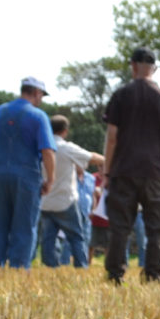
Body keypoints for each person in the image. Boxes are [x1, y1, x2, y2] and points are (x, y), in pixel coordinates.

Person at [102, 47, 160, 284]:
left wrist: (107, 170)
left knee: (120, 227)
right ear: (153, 69)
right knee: (157, 228)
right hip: (155, 172)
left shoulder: (120, 96)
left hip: (124, 170)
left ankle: (116, 274)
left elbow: (112, 136)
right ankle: (153, 273)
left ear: (133, 66)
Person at [0, 77, 56, 269]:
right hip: (27, 176)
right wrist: (50, 179)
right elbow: (47, 151)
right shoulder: (38, 116)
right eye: (41, 96)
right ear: (37, 93)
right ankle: (19, 267)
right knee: (24, 225)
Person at [38, 114, 104, 268]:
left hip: (46, 201)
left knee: (48, 239)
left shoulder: (40, 145)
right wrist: (108, 159)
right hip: (65, 200)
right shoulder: (66, 147)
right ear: (65, 131)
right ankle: (81, 266)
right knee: (76, 237)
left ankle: (50, 267)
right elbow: (91, 157)